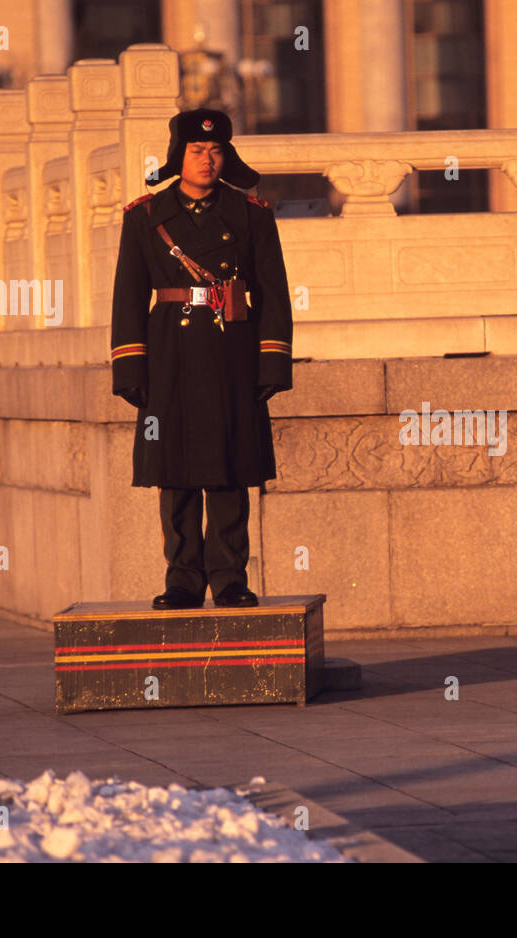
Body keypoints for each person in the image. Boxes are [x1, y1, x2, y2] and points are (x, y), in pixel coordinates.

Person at [110, 109, 293, 609]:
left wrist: (272, 361)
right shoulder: (145, 216)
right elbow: (128, 297)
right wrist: (130, 366)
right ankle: (182, 579)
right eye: (196, 151)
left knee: (230, 471)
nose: (207, 160)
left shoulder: (252, 215)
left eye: (216, 151)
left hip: (232, 351)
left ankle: (230, 578)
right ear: (177, 156)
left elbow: (273, 294)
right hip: (170, 353)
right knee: (176, 472)